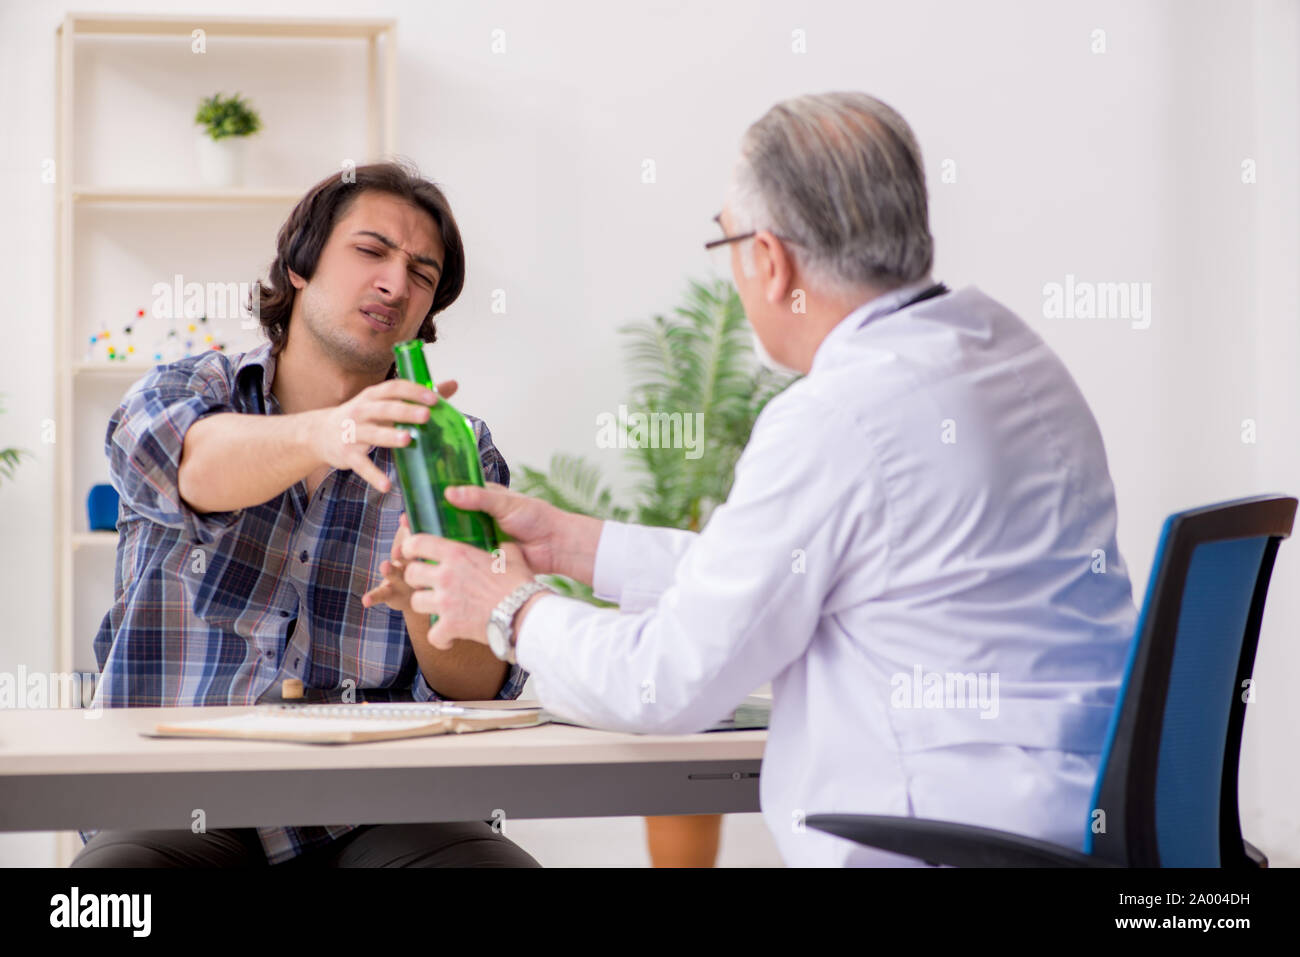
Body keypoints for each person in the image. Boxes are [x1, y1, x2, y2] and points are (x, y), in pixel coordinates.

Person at [396, 92, 1139, 867]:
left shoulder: (839, 415)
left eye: (726, 244)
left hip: (949, 846)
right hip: (1074, 826)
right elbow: (789, 575)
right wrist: (577, 545)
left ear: (769, 257)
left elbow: (665, 682)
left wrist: (509, 609)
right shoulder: (1008, 355)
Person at [74, 161, 540, 868]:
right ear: (299, 264)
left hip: (374, 806)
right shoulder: (185, 390)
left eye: (422, 271)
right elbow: (195, 469)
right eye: (371, 250)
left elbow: (475, 681)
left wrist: (427, 603)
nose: (395, 283)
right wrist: (326, 432)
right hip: (175, 790)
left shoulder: (457, 446)